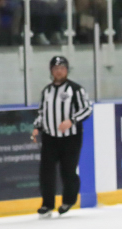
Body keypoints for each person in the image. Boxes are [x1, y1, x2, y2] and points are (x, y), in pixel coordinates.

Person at [30, 56, 92, 218]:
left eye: (62, 68)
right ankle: (47, 204)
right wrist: (37, 127)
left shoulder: (76, 89)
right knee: (46, 171)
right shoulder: (46, 91)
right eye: (56, 68)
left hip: (70, 138)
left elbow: (87, 109)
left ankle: (68, 200)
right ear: (51, 71)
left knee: (68, 171)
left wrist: (72, 120)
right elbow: (41, 112)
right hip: (50, 137)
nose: (59, 71)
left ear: (67, 70)